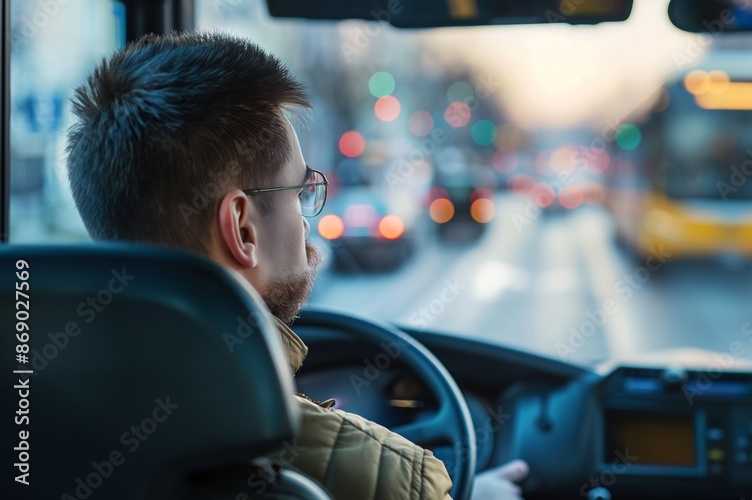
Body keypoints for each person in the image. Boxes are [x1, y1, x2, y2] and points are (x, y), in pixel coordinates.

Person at [64, 31, 528, 500]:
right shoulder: (390, 478)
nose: (308, 222)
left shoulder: (35, 413)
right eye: (301, 191)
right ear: (243, 230)